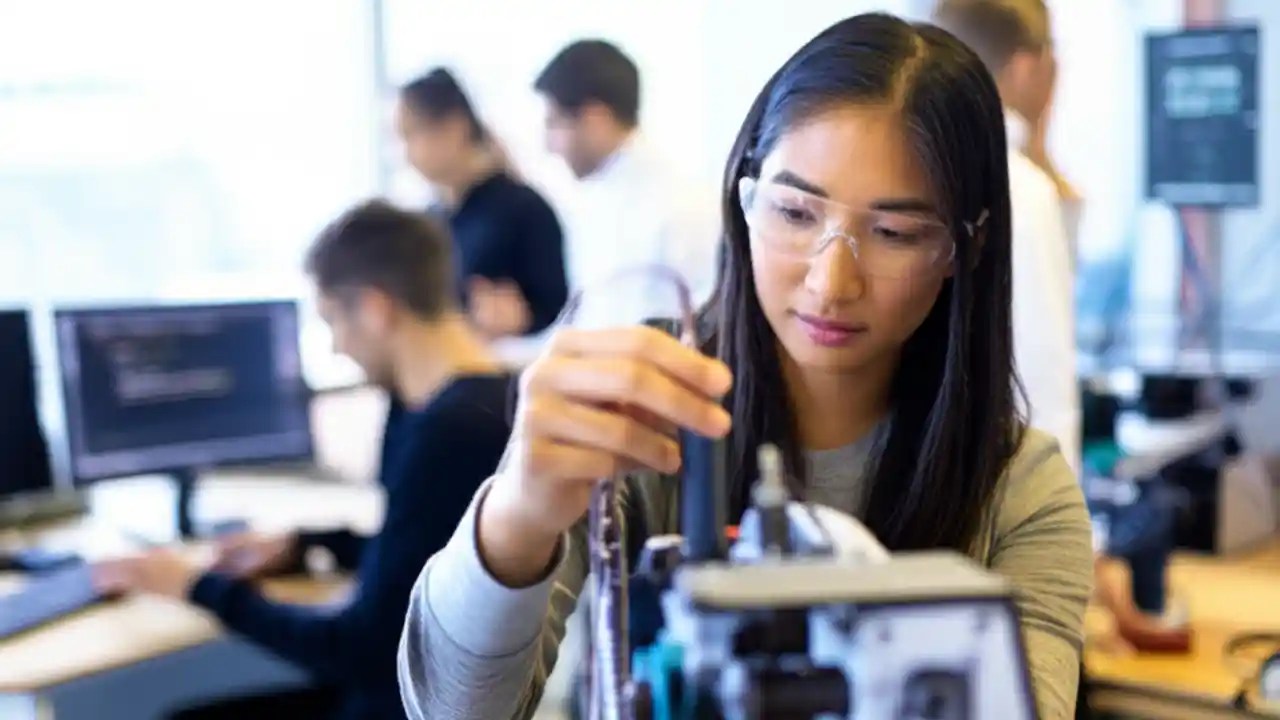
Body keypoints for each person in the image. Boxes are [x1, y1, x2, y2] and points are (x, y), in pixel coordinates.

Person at [398, 12, 1092, 720]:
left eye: (894, 233)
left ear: (965, 247)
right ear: (744, 197)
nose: (832, 282)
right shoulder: (637, 414)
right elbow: (450, 709)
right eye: (794, 212)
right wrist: (516, 514)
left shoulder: (1021, 495)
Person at [95, 201, 515, 720]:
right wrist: (307, 544)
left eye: (333, 320)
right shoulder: (469, 403)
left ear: (376, 308)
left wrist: (195, 586)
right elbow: (431, 559)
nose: (338, 348)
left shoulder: (451, 432)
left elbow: (359, 649)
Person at [934, 0, 1081, 472]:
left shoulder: (919, 161)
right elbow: (1044, 377)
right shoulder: (1020, 188)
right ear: (1025, 66)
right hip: (1000, 478)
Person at [533, 39, 720, 320]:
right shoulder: (598, 198)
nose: (548, 146)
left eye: (554, 123)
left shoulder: (681, 206)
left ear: (596, 119)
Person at [398, 68, 568, 337]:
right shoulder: (427, 223)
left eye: (411, 135)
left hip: (511, 369)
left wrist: (521, 320)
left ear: (455, 128)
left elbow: (559, 311)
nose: (406, 154)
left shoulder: (523, 209)